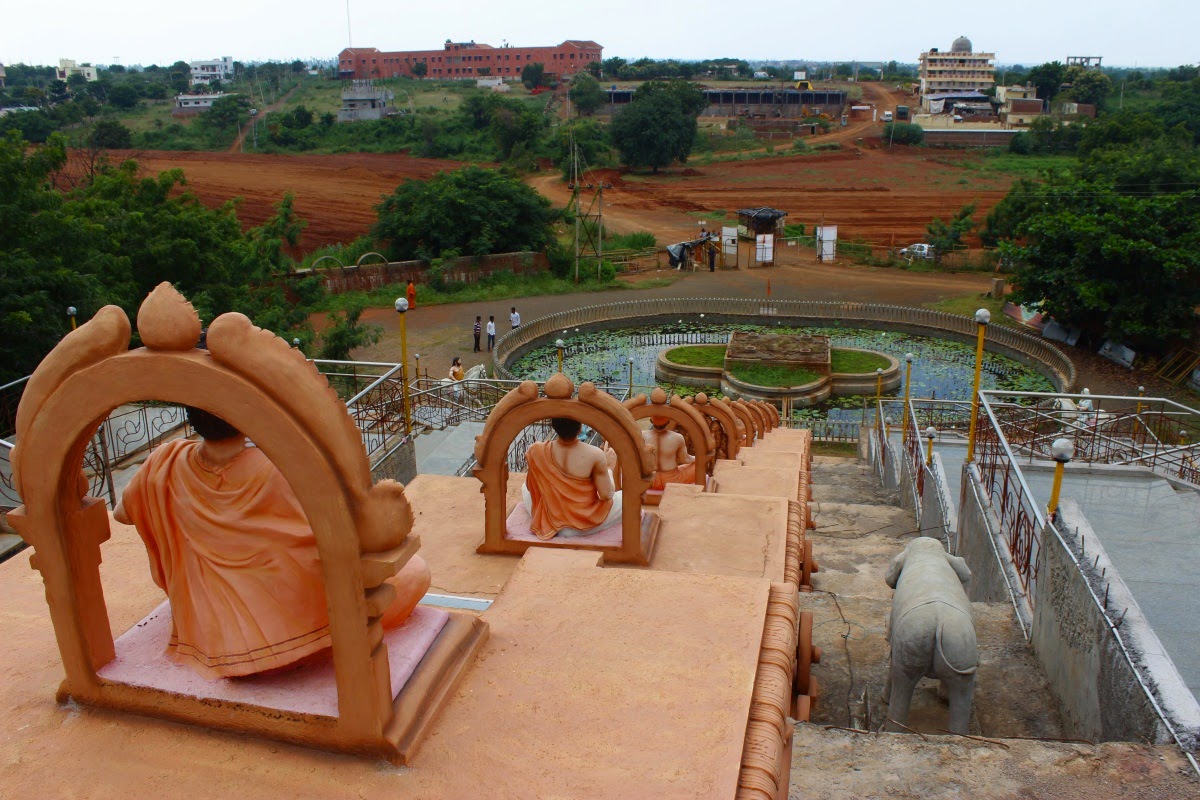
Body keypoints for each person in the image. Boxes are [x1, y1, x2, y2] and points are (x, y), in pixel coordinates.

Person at [113, 407, 430, 679]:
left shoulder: (164, 464)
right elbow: (340, 540)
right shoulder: (278, 468)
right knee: (414, 573)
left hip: (206, 638)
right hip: (287, 648)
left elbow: (122, 513)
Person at [521, 417, 622, 539]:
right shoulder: (595, 454)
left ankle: (554, 522)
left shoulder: (536, 450)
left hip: (550, 517)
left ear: (553, 426)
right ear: (580, 428)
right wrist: (609, 468)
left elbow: (529, 486)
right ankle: (568, 527)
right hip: (581, 522)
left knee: (524, 489)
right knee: (627, 499)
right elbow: (607, 494)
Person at [643, 416, 697, 490]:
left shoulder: (643, 435)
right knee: (698, 466)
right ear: (668, 421)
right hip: (672, 480)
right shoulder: (677, 437)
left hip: (650, 479)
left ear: (651, 420)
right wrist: (699, 459)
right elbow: (685, 459)